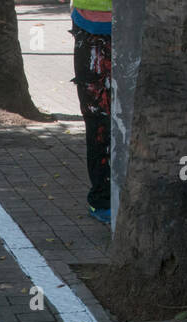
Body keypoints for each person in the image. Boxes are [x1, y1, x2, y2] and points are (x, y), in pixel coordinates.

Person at [70, 0, 113, 224]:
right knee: (99, 121)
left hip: (95, 26)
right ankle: (103, 200)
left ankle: (104, 200)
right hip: (92, 26)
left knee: (99, 121)